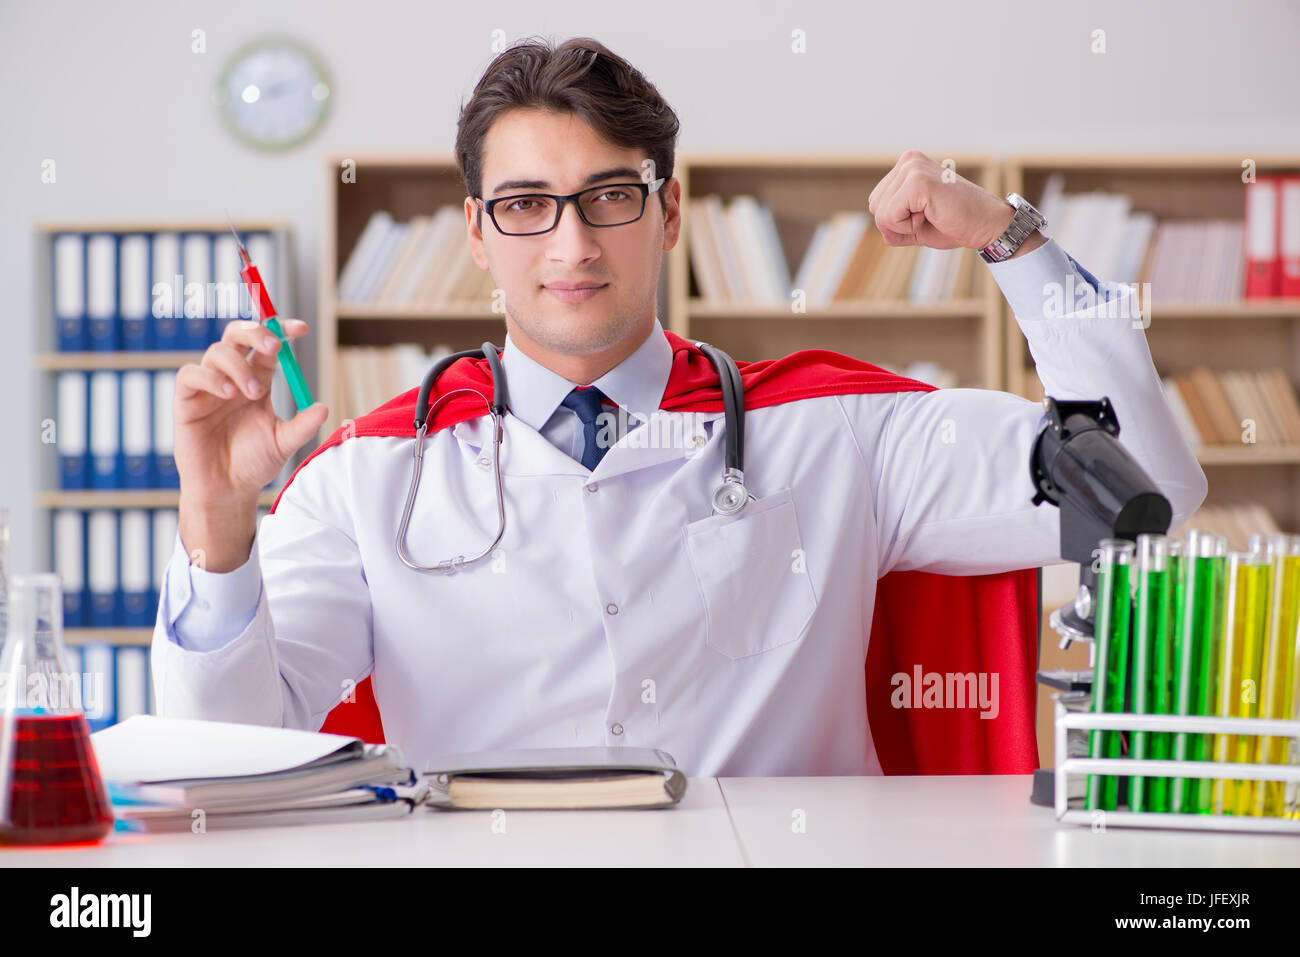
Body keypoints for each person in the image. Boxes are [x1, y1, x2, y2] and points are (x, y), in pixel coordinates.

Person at [153, 36, 1207, 776]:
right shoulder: (365, 475)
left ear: (667, 215)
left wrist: (1008, 238)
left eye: (610, 197)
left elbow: (1149, 486)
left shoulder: (841, 429)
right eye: (526, 206)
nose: (572, 245)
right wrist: (217, 524)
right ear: (477, 233)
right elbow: (237, 746)